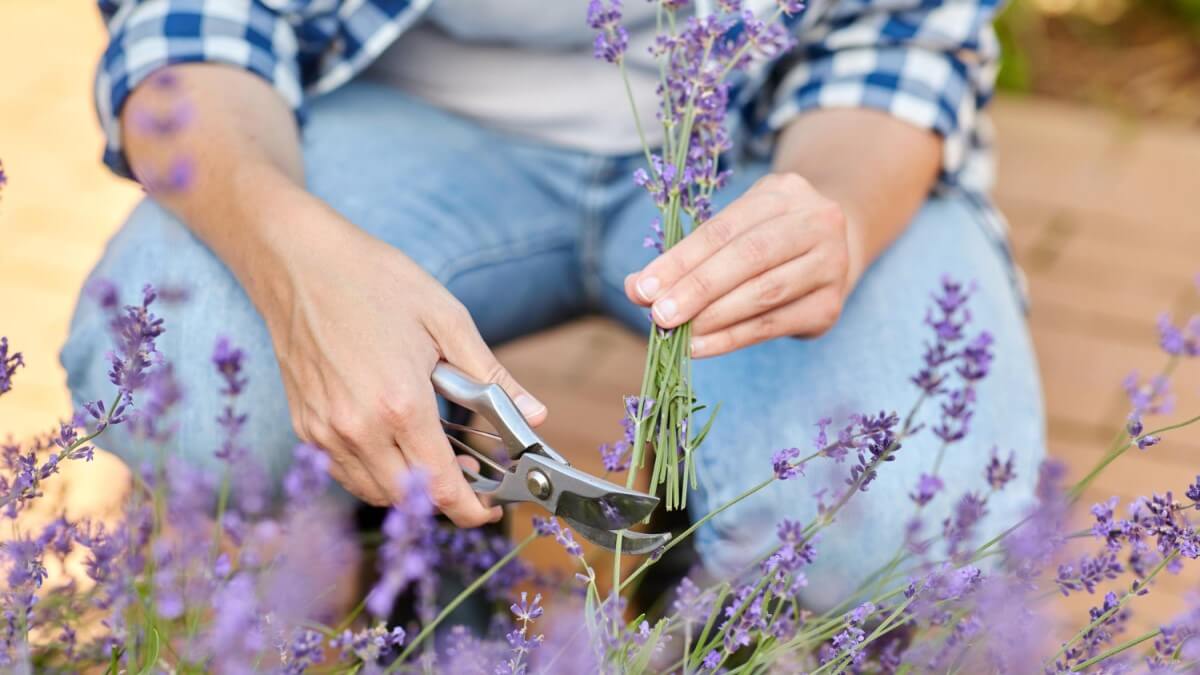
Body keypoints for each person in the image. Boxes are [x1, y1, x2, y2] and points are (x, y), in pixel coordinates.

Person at [63, 0, 1044, 605]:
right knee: (178, 365)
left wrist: (837, 213)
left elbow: (908, 38)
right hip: (397, 114)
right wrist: (298, 269)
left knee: (906, 521)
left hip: (765, 135)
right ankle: (425, 527)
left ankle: (702, 578)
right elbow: (184, 28)